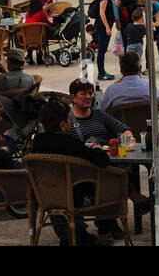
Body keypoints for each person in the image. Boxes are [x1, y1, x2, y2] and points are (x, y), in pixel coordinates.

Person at [33, 100, 119, 246]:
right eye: (68, 120)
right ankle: (105, 232)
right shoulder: (69, 142)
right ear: (62, 124)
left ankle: (71, 236)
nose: (70, 123)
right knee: (111, 183)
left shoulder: (38, 142)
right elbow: (102, 161)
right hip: (76, 199)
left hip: (47, 196)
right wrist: (97, 148)